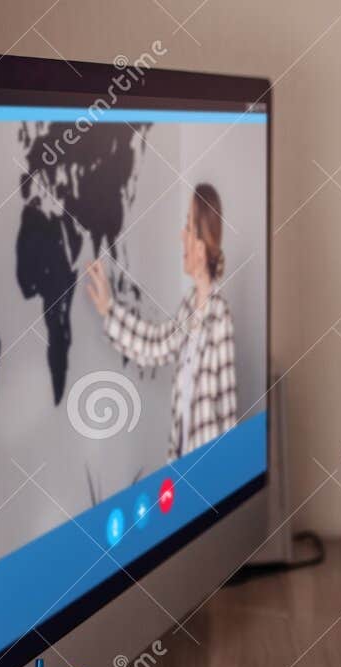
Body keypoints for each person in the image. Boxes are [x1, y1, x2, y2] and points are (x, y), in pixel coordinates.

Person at [83, 182, 237, 461]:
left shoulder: (220, 315)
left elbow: (228, 411)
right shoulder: (190, 305)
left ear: (201, 246)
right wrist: (109, 308)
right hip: (181, 462)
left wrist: (229, 484)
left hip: (209, 469)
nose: (182, 236)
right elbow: (154, 346)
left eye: (189, 227)